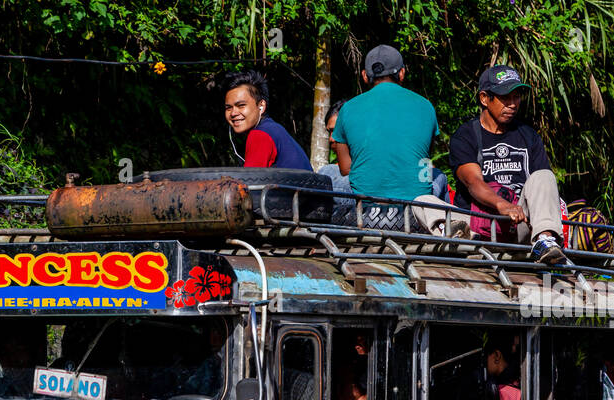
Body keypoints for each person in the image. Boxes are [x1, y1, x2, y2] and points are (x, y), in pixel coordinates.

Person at [330, 46, 464, 236]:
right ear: (401, 73)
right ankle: (442, 227)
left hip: (365, 208)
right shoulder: (425, 106)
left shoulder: (348, 108)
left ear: (365, 76)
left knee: (328, 172)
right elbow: (424, 161)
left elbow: (345, 169)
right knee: (438, 175)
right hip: (415, 205)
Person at [449, 65, 569, 264]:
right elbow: (473, 182)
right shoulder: (465, 136)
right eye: (505, 97)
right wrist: (502, 205)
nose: (513, 104)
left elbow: (542, 186)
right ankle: (458, 234)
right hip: (478, 224)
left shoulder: (528, 136)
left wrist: (514, 209)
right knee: (424, 200)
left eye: (517, 96)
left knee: (544, 176)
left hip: (518, 226)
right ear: (484, 98)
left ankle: (544, 240)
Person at [223, 70, 311, 170]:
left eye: (241, 105)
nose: (233, 113)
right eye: (228, 108)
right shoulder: (273, 129)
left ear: (261, 106)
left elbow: (249, 181)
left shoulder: (260, 135)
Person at [484, 333, 523, 400]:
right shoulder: (521, 382)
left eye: (486, 356)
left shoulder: (501, 391)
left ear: (497, 356)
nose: (484, 362)